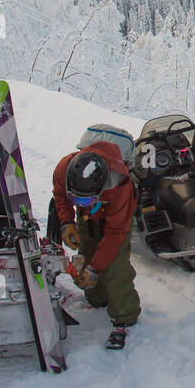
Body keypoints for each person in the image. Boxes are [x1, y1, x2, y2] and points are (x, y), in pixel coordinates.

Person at [51, 138, 141, 350]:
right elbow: (60, 195)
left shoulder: (119, 183)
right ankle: (97, 297)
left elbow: (115, 233)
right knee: (89, 255)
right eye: (78, 199)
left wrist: (95, 268)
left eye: (87, 198)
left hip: (115, 219)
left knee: (115, 265)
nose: (81, 202)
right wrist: (66, 223)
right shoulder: (64, 169)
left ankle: (125, 314)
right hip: (87, 218)